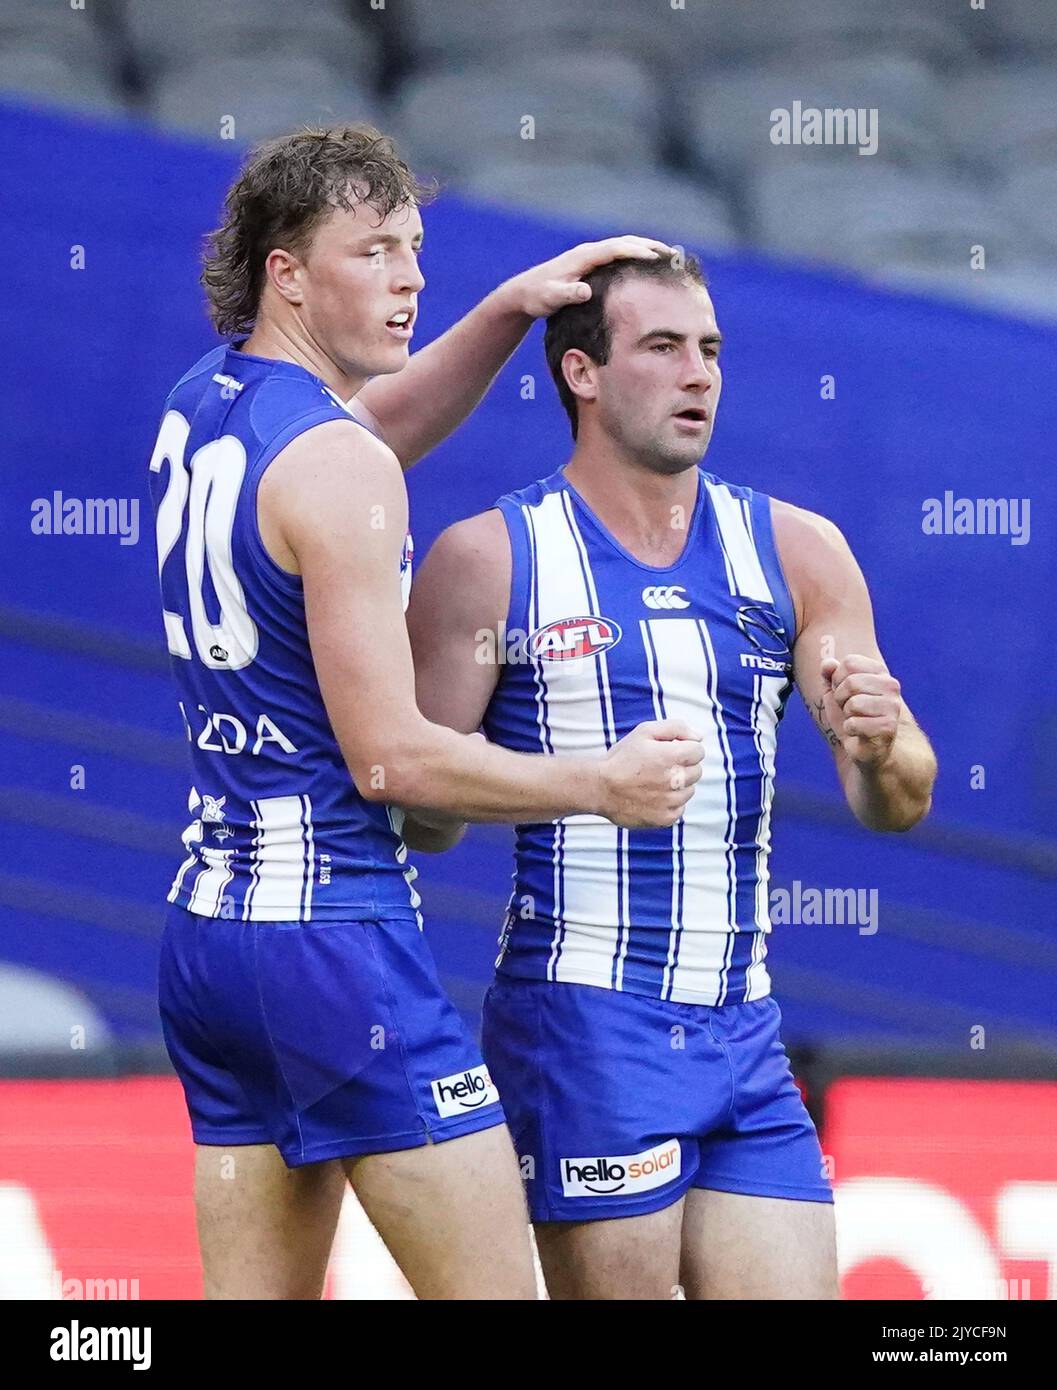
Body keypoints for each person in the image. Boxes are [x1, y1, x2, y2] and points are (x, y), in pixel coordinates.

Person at [147, 123, 704, 1300]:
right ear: (287, 272)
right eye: (374, 251)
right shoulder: (340, 470)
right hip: (334, 942)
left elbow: (361, 441)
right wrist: (596, 782)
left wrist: (503, 309)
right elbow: (393, 762)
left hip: (211, 938)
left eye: (414, 249)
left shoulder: (206, 401)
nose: (408, 279)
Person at [404, 250, 938, 1300]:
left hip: (744, 1029)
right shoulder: (489, 557)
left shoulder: (795, 548)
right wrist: (585, 781)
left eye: (709, 350)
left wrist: (879, 747)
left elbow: (899, 800)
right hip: (583, 1024)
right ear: (581, 374)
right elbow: (419, 812)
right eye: (662, 348)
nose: (698, 374)